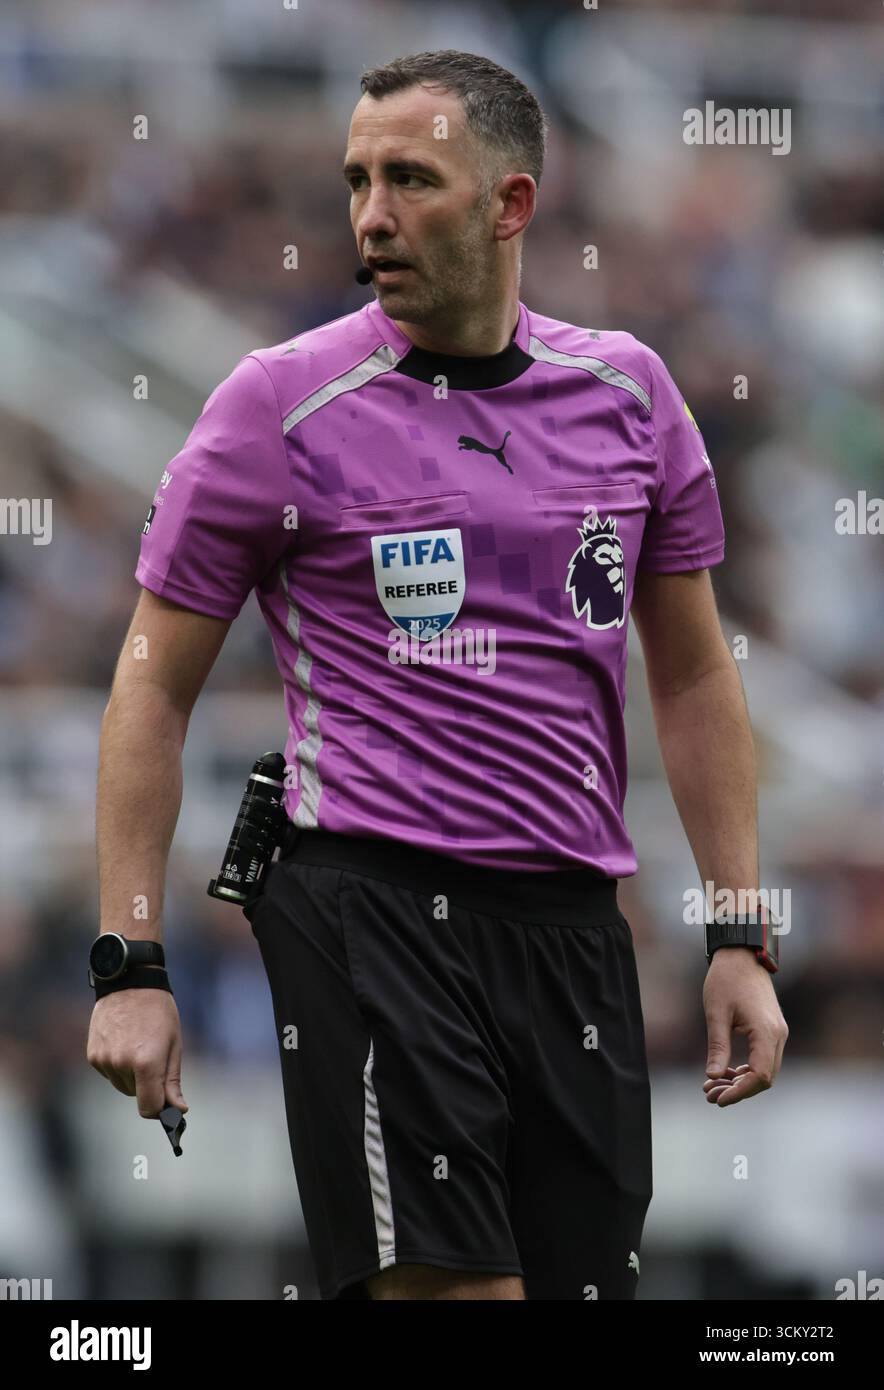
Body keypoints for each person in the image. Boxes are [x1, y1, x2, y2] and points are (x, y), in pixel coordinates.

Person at [89, 49, 788, 1301]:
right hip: (369, 907)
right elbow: (149, 684)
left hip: (572, 928)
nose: (369, 214)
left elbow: (689, 674)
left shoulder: (627, 394)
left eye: (410, 178)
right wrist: (129, 961)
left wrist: (737, 929)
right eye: (357, 178)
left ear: (510, 204)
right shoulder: (276, 408)